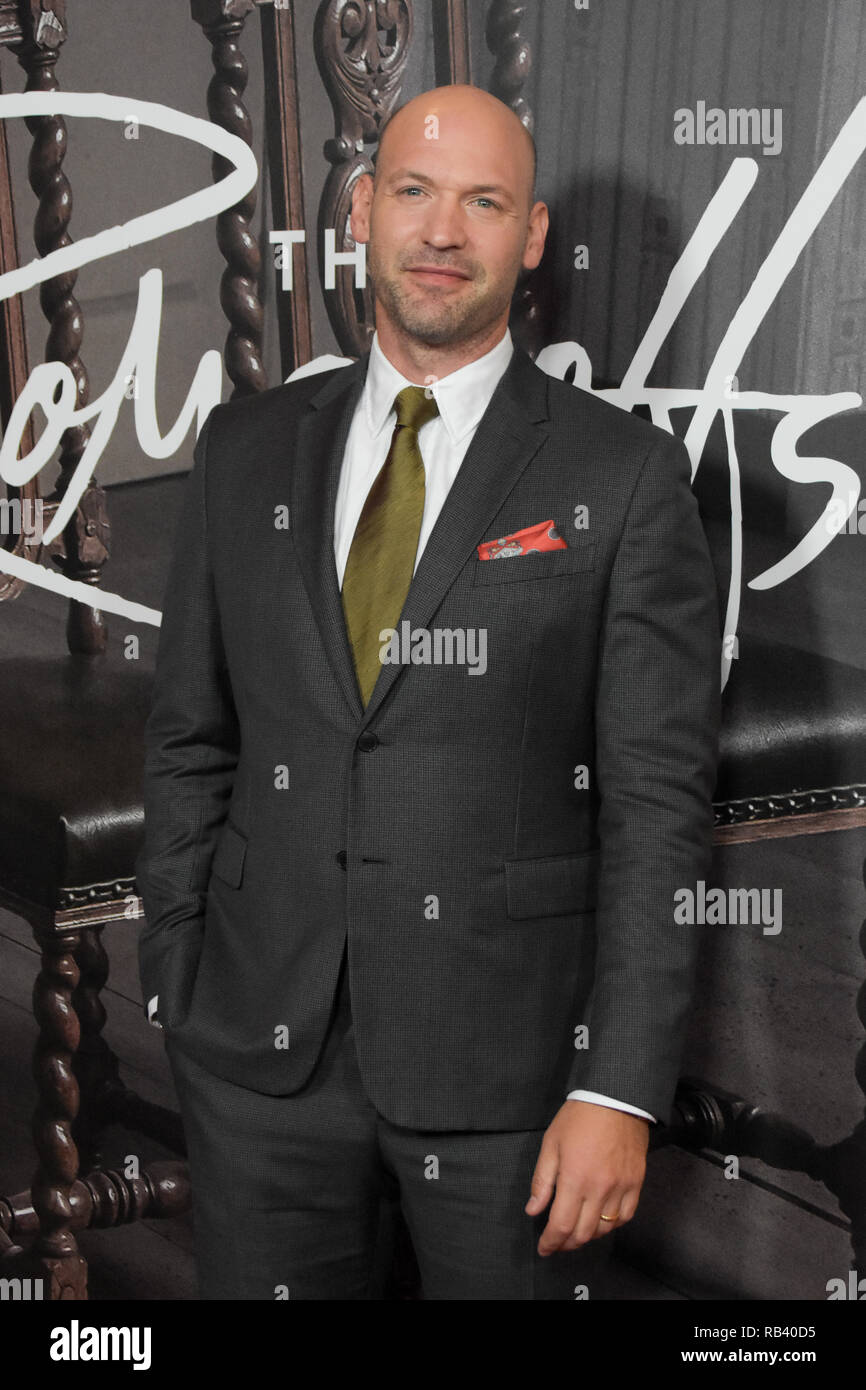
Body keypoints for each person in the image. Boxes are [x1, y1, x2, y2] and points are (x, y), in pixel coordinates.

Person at [136, 83, 720, 1300]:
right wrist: (179, 976)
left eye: (483, 201)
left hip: (509, 1081)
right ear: (361, 209)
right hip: (256, 1059)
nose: (442, 232)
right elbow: (192, 740)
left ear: (533, 234)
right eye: (413, 190)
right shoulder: (246, 451)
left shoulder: (618, 481)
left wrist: (613, 1087)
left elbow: (658, 811)